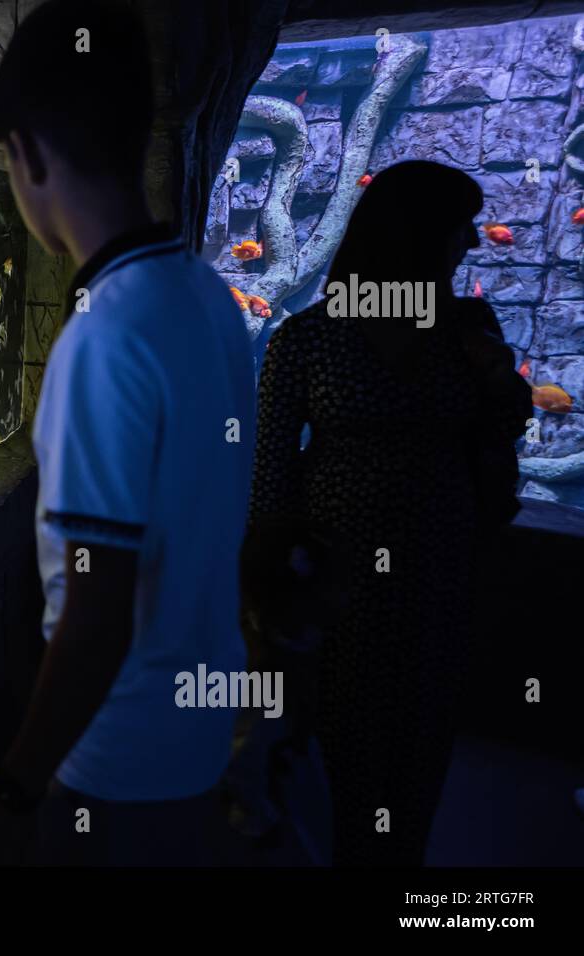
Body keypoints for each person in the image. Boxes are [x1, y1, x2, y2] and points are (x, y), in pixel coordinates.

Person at [0, 0, 256, 865]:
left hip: (116, 765)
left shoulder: (102, 337)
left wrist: (12, 787)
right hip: (196, 737)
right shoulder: (208, 297)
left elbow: (97, 614)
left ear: (28, 154)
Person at [245, 160, 531, 866]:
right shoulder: (305, 339)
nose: (469, 240)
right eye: (458, 225)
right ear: (418, 234)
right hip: (334, 587)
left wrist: (497, 377)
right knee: (330, 751)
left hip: (435, 579)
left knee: (414, 746)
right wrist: (266, 609)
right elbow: (272, 478)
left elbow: (502, 432)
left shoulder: (466, 328)